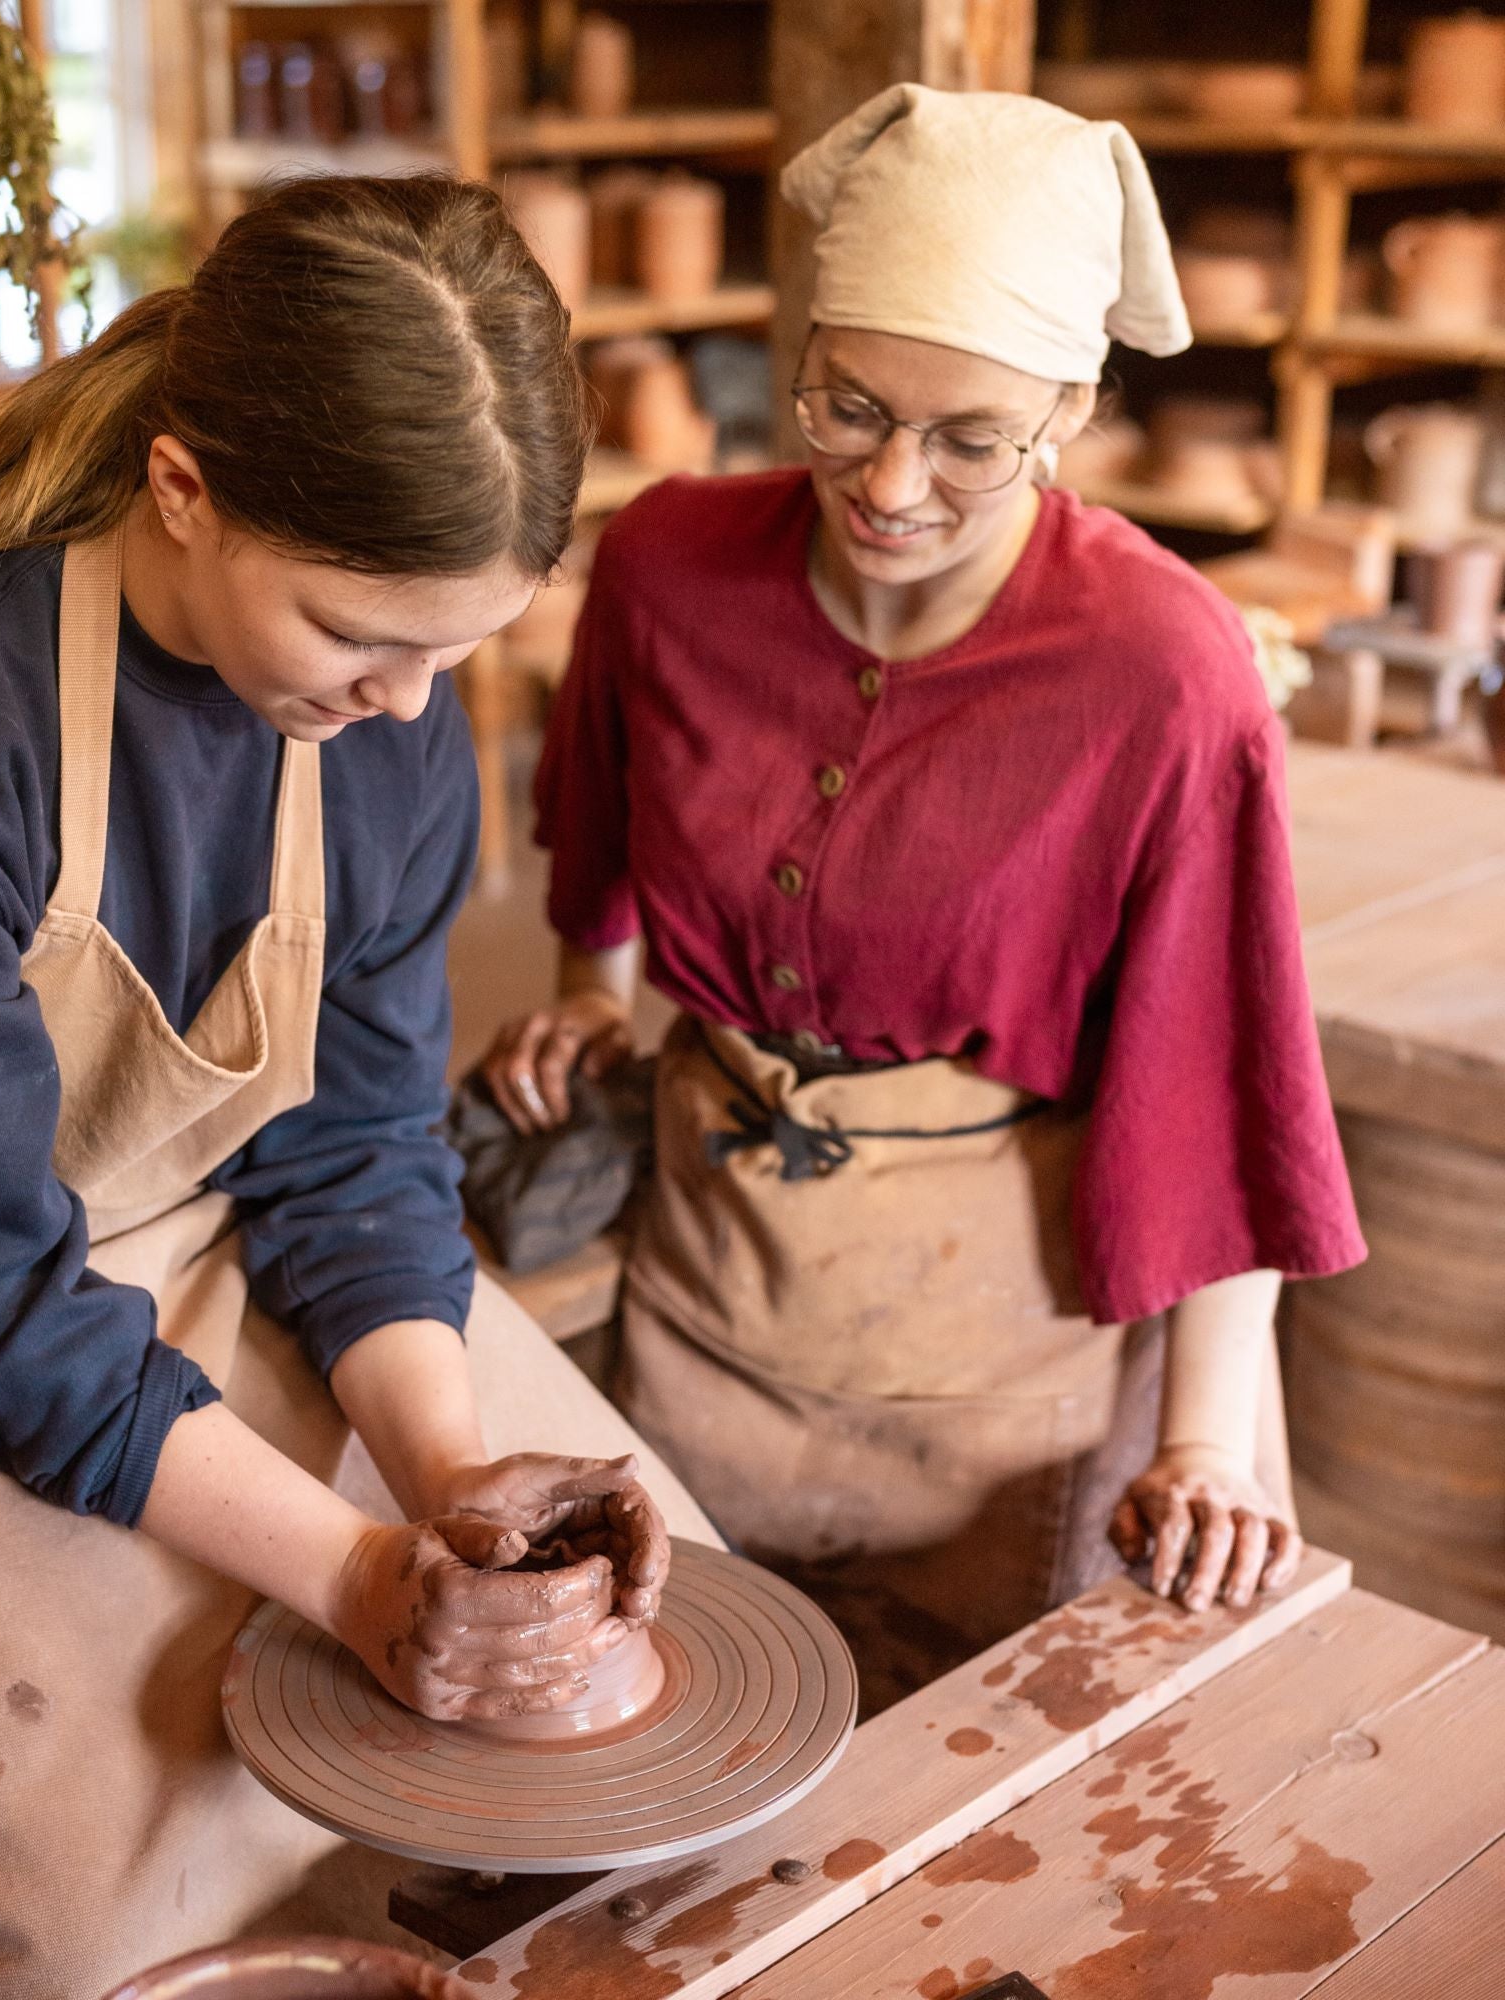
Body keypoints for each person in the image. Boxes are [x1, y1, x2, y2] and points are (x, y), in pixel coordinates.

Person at [0, 174, 715, 2000]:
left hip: (205, 1225)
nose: (406, 705)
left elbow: (358, 1151)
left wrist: (444, 1484)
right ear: (185, 489)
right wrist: (365, 1584)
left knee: (636, 1719)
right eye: (359, 639)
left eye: (454, 652)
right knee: (109, 1878)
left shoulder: (392, 708)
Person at [483, 86, 1367, 1715]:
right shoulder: (669, 569)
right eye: (846, 406)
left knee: (950, 1821)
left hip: (999, 1357)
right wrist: (592, 1001)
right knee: (682, 1737)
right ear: (801, 348)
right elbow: (597, 832)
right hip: (713, 1293)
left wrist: (1204, 1448)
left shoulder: (1163, 672)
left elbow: (1220, 1067)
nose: (889, 483)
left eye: (972, 441)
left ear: (1075, 410)